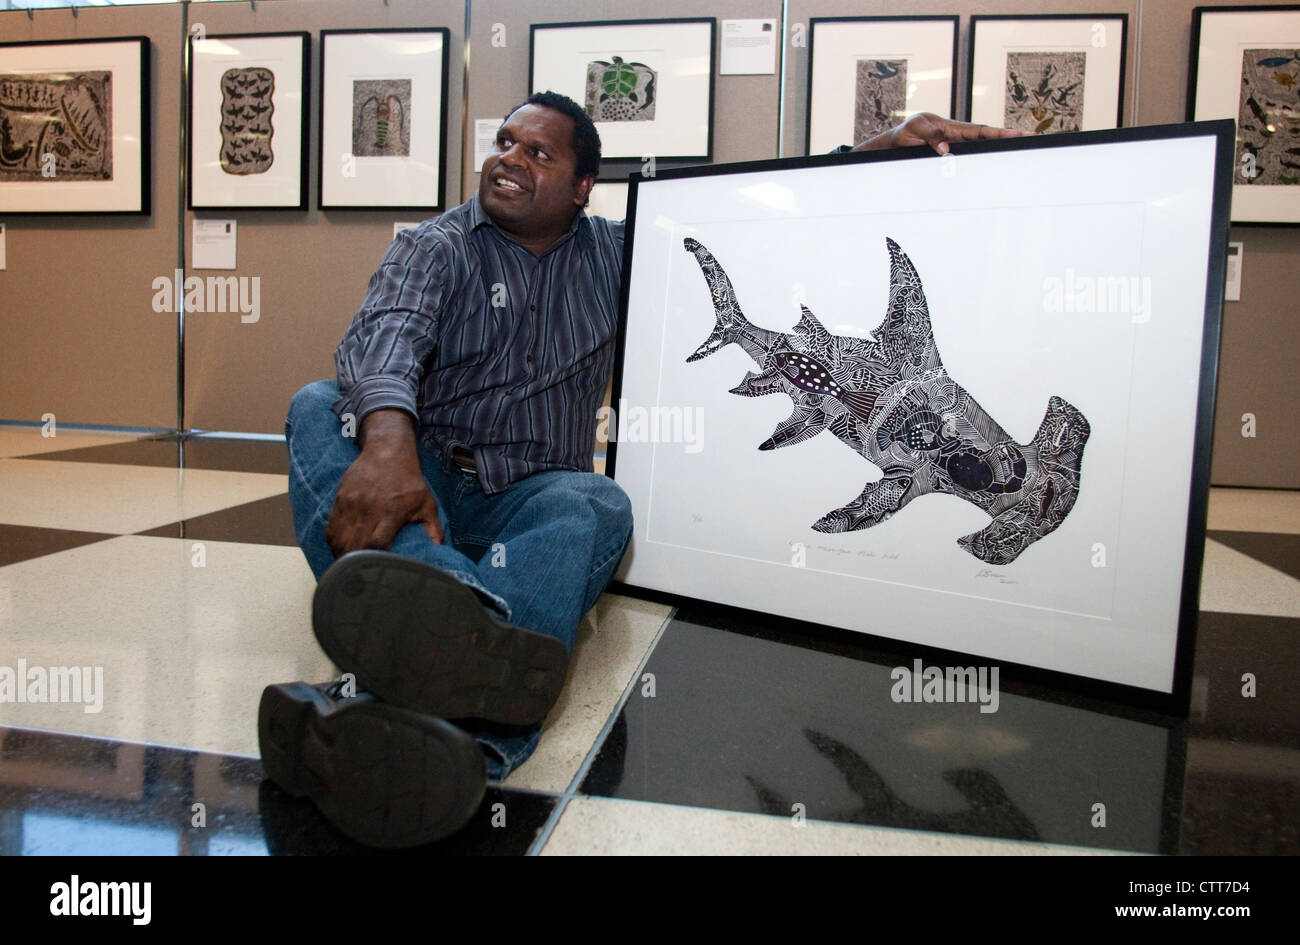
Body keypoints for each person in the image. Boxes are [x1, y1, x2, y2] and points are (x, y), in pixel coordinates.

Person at [258, 91, 1020, 849]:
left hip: (526, 490)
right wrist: (390, 447)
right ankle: (453, 644)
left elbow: (747, 217)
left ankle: (399, 695)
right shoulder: (437, 244)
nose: (509, 159)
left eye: (538, 152)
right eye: (504, 142)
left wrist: (874, 151)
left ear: (583, 187)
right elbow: (385, 338)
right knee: (318, 404)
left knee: (595, 502)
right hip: (418, 478)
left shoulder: (619, 253)